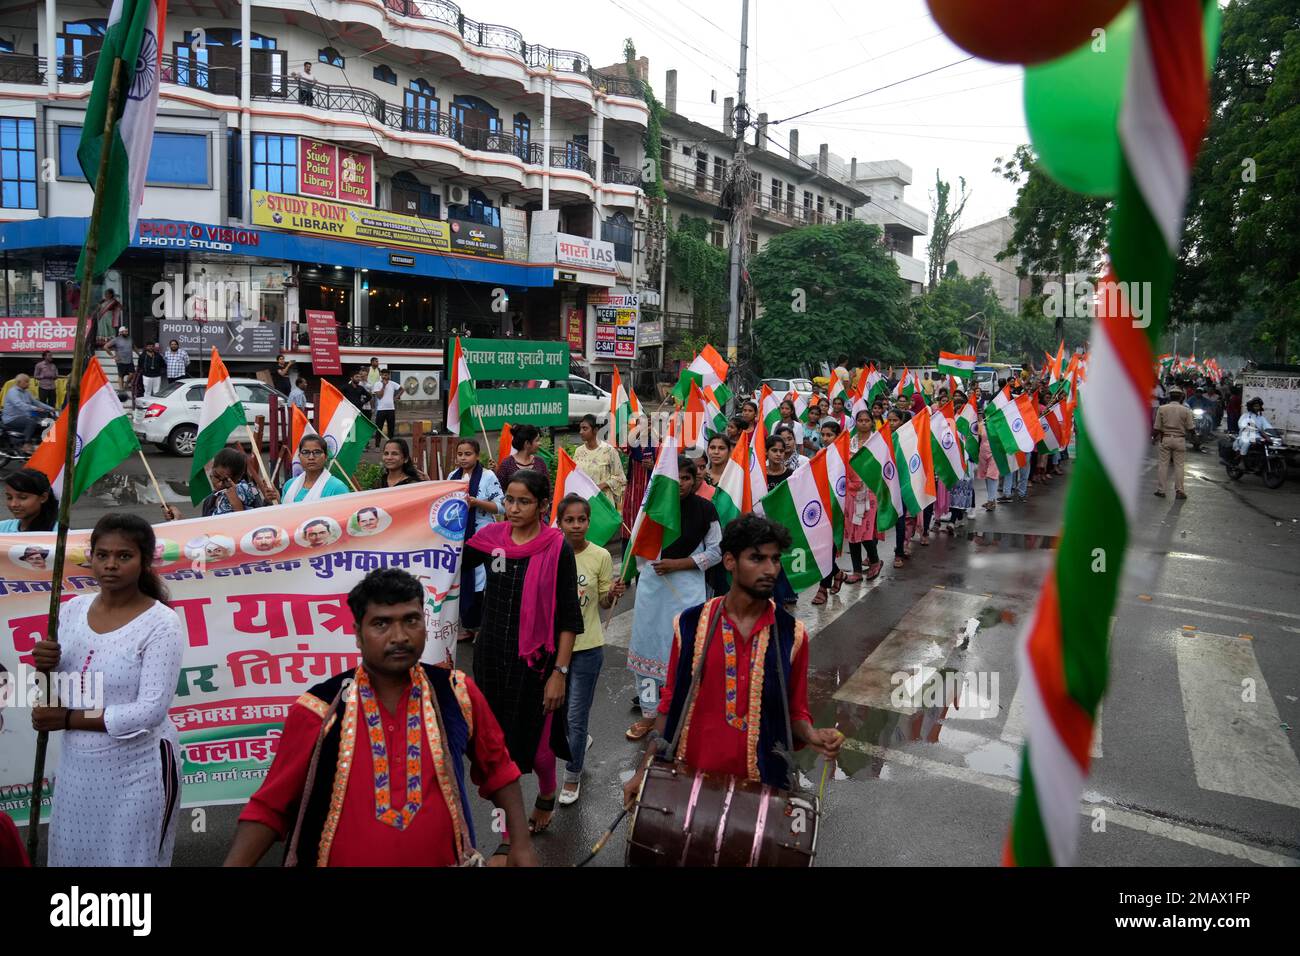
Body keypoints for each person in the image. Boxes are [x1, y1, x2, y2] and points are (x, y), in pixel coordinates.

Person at [225, 568, 537, 867]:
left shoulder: (455, 693)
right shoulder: (319, 708)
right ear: (358, 634)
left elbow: (498, 770)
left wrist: (519, 844)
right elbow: (270, 808)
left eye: (411, 620)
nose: (399, 636)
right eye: (381, 624)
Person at [622, 515, 844, 811]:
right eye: (757, 558)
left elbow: (795, 712)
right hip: (692, 782)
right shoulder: (689, 625)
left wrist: (813, 735)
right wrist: (643, 772)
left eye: (775, 559)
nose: (770, 569)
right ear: (729, 561)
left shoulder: (792, 635)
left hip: (762, 789)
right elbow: (670, 703)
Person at [29, 514, 185, 866]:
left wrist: (68, 718)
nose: (111, 565)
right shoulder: (71, 610)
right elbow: (53, 695)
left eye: (124, 556)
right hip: (77, 768)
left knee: (128, 859)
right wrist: (43, 667)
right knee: (74, 855)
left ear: (145, 561)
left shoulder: (161, 624)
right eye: (102, 555)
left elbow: (150, 711)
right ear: (92, 557)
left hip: (138, 770)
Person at [460, 470, 581, 838]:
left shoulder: (556, 546)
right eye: (509, 500)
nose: (512, 508)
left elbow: (568, 616)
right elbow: (444, 562)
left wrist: (559, 673)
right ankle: (508, 834)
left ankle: (546, 794)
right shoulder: (489, 540)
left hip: (537, 663)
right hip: (492, 659)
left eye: (523, 501)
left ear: (543, 505)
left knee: (541, 751)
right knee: (497, 751)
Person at [626, 456, 722, 741]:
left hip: (687, 588)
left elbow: (717, 552)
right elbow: (636, 548)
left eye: (686, 477)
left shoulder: (705, 509)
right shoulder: (651, 509)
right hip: (651, 589)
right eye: (675, 477)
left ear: (694, 481)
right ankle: (649, 715)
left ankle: (683, 713)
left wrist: (679, 564)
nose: (680, 483)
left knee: (684, 652)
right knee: (647, 652)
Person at [555, 494, 624, 806]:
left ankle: (572, 775)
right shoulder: (551, 553)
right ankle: (580, 740)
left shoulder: (600, 557)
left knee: (576, 713)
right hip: (555, 650)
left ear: (588, 522)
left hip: (588, 648)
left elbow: (605, 602)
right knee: (562, 713)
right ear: (559, 523)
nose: (576, 525)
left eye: (581, 519)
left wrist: (612, 594)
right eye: (569, 520)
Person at [449, 437, 503, 642]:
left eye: (468, 454)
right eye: (460, 454)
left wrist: (475, 502)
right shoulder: (452, 476)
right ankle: (470, 626)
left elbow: (501, 506)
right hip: (458, 534)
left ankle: (481, 628)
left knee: (480, 581)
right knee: (462, 580)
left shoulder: (488, 477)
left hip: (483, 535)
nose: (463, 458)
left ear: (477, 455)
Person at [844, 410, 885, 583]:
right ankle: (857, 570)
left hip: (869, 493)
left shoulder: (878, 443)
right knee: (852, 532)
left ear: (872, 423)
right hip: (851, 493)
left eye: (866, 420)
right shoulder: (848, 442)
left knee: (865, 531)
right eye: (860, 420)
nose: (863, 423)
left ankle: (874, 561)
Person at [571, 413, 626, 511]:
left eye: (585, 429)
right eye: (580, 429)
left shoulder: (609, 451)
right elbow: (575, 475)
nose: (581, 432)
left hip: (603, 503)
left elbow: (620, 478)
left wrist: (601, 486)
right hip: (584, 502)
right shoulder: (579, 451)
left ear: (595, 430)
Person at [1153, 386, 1194, 500]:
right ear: (1181, 397)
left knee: (1163, 465)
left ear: (1169, 396)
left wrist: (1154, 438)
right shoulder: (1186, 410)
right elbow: (1191, 428)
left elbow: (1157, 427)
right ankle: (1180, 490)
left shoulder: (1162, 408)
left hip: (1165, 439)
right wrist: (1192, 435)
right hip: (1180, 439)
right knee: (1179, 466)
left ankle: (1161, 490)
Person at [281, 434, 350, 502]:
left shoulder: (337, 488)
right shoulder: (289, 485)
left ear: (326, 457)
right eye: (306, 452)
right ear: (299, 456)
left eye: (317, 452)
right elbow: (285, 510)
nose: (311, 457)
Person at [199, 447, 264, 517]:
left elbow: (260, 523)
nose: (219, 484)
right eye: (216, 476)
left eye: (226, 481)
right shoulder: (209, 501)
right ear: (212, 469)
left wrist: (238, 507)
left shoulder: (250, 495)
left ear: (237, 479)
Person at [2, 373, 55, 453]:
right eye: (26, 382)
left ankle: (40, 443)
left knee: (43, 422)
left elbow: (36, 402)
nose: (28, 383)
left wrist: (52, 409)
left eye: (28, 381)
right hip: (12, 418)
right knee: (31, 422)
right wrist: (35, 408)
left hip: (23, 416)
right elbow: (19, 404)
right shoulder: (13, 392)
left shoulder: (26, 392)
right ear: (19, 382)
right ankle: (26, 444)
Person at [622, 415, 655, 540]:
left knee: (647, 523)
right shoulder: (633, 443)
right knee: (631, 522)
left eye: (649, 424)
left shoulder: (659, 444)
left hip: (650, 489)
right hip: (633, 491)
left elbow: (665, 466)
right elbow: (623, 448)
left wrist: (654, 465)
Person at [1, 468, 59, 532]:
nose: (13, 504)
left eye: (23, 497)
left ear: (43, 497)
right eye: (9, 497)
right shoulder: (3, 528)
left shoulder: (59, 533)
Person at [371, 368, 401, 447]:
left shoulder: (392, 383)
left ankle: (390, 445)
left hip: (391, 409)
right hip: (381, 410)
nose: (385, 376)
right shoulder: (377, 384)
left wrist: (396, 397)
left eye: (387, 375)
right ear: (381, 375)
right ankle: (377, 445)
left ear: (389, 375)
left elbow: (402, 389)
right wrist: (384, 386)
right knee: (379, 428)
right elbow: (379, 396)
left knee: (391, 429)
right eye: (383, 375)